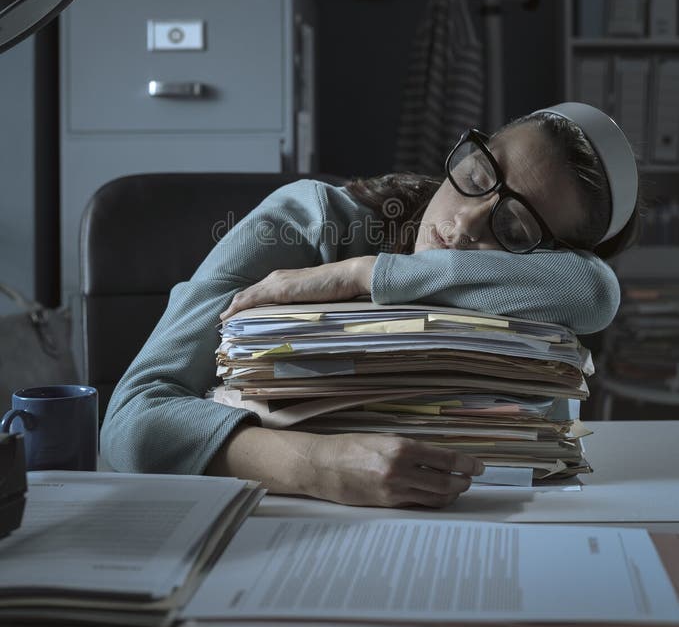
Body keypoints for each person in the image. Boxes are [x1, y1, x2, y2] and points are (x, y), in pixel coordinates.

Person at [100, 102, 640, 508]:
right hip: (275, 520)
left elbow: (595, 291)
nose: (465, 223)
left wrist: (365, 274)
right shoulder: (307, 219)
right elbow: (134, 420)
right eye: (476, 176)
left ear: (544, 259)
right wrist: (316, 465)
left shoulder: (553, 283)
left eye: (515, 227)